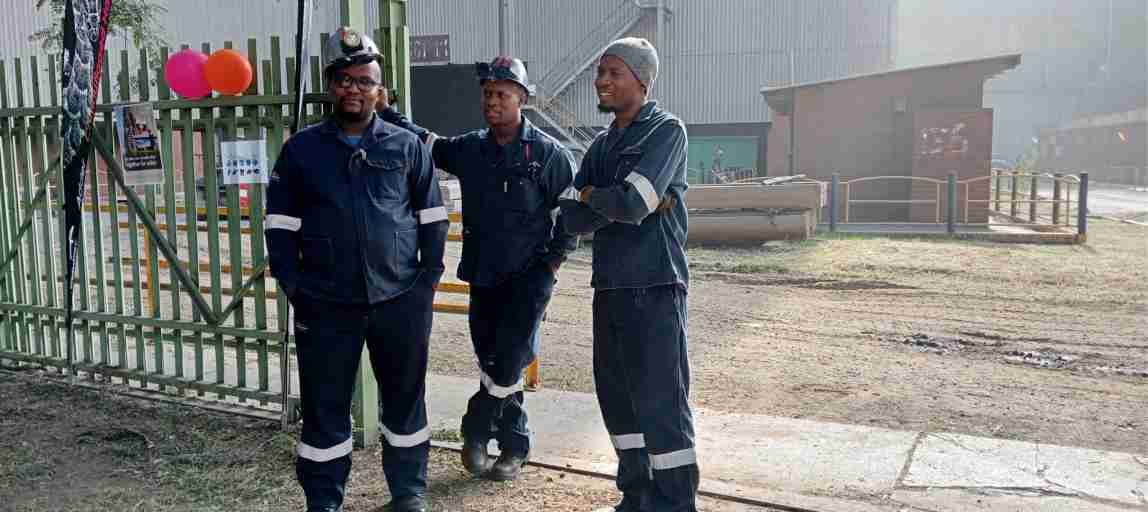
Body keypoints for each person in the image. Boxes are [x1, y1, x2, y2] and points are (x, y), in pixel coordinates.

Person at [264, 27, 447, 512]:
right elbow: (279, 226)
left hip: (399, 300)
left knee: (406, 401)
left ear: (379, 90)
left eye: (364, 80)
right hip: (325, 304)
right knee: (325, 411)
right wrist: (295, 286)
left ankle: (408, 493)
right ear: (331, 85)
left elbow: (433, 218)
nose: (354, 88)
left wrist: (425, 283)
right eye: (344, 79)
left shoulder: (407, 147)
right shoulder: (302, 151)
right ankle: (324, 501)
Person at [381, 56, 578, 481]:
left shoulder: (548, 154)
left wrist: (553, 263)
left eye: (502, 94)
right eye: (487, 93)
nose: (492, 101)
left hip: (529, 278)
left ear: (522, 99)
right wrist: (385, 111)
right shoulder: (471, 149)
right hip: (484, 276)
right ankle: (512, 444)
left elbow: (573, 213)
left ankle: (476, 431)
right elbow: (426, 143)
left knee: (510, 360)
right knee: (494, 362)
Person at [559, 37, 699, 512]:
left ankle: (675, 504)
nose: (601, 81)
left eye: (614, 72)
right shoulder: (603, 144)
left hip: (655, 286)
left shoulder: (666, 131)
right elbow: (572, 217)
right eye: (601, 72)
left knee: (662, 403)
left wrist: (595, 197)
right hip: (610, 288)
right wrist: (609, 200)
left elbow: (632, 203)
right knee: (618, 402)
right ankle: (636, 498)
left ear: (642, 79)